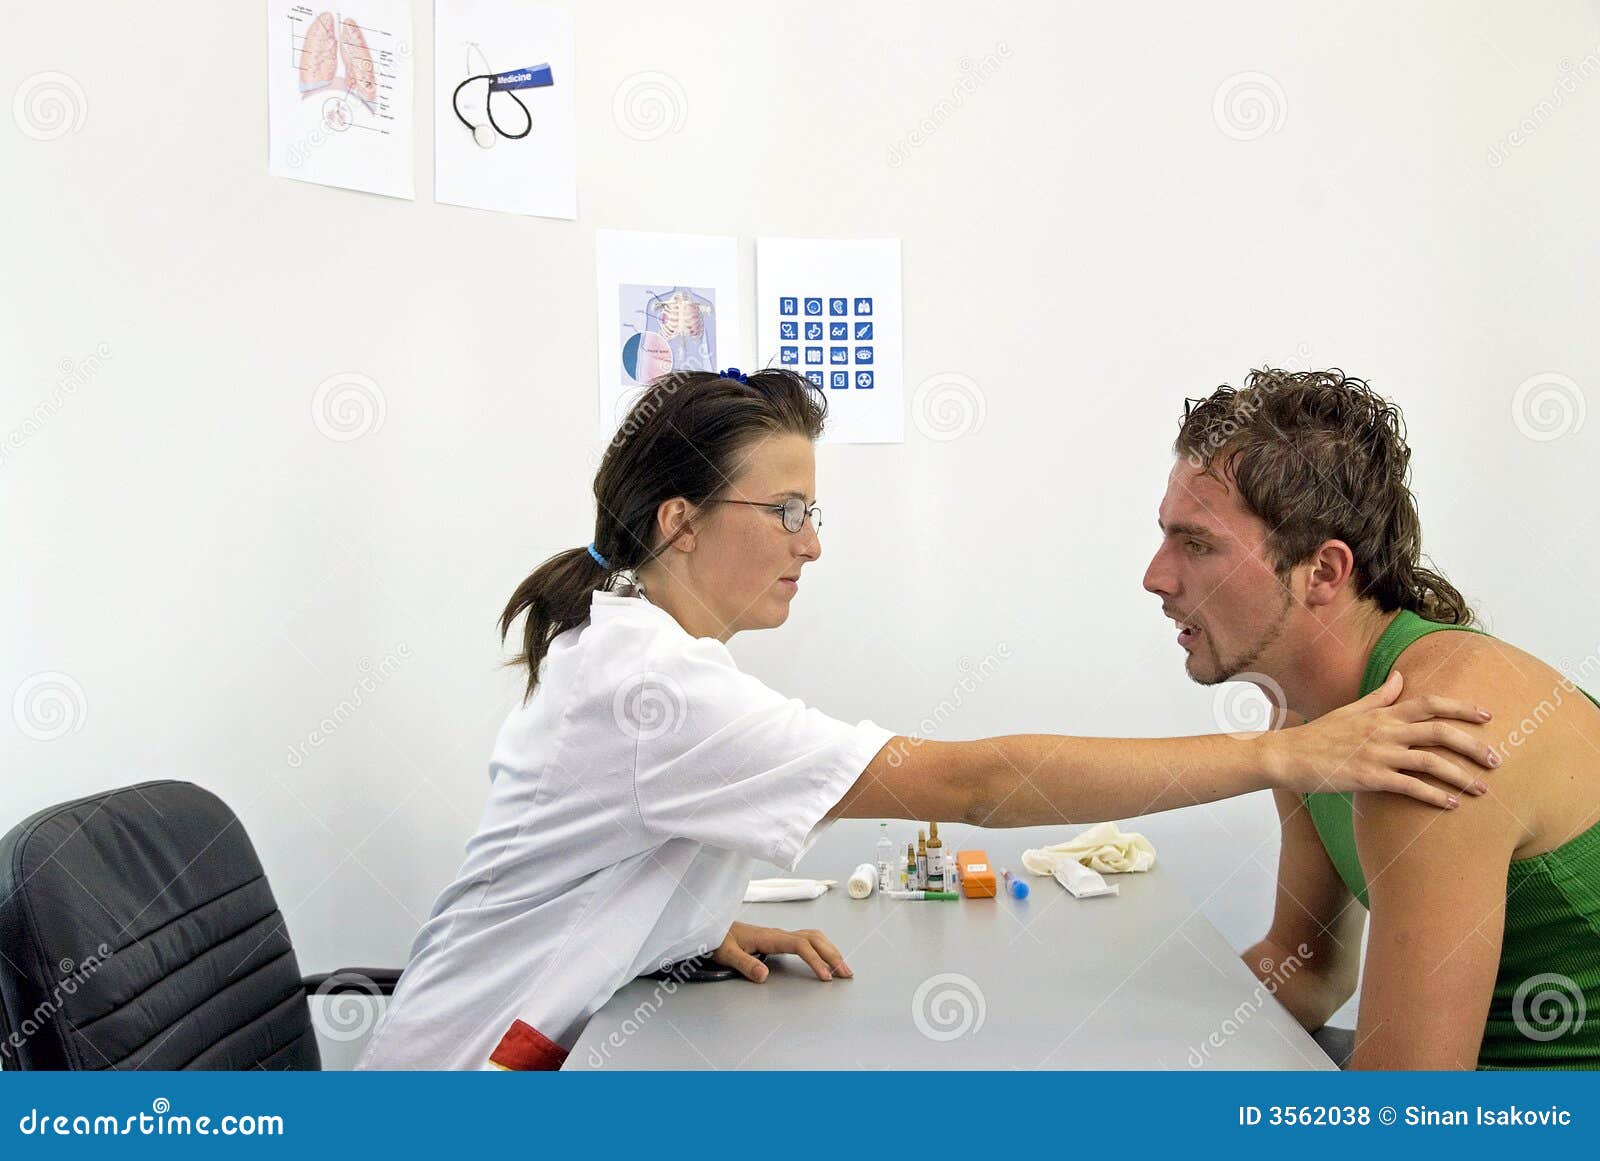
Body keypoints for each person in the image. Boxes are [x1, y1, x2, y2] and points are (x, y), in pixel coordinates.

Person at [358, 368, 1497, 1071]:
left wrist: (684, 927)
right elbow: (969, 785)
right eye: (788, 510)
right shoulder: (657, 687)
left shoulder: (630, 650)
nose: (813, 543)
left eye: (815, 512)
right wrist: (1280, 755)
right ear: (679, 521)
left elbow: (592, 863)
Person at [1144, 367, 1600, 1069]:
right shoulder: (1303, 720)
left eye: (1197, 544)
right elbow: (1309, 969)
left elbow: (1403, 1111)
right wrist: (1144, 1044)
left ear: (1324, 572)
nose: (1156, 576)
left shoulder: (1428, 732)